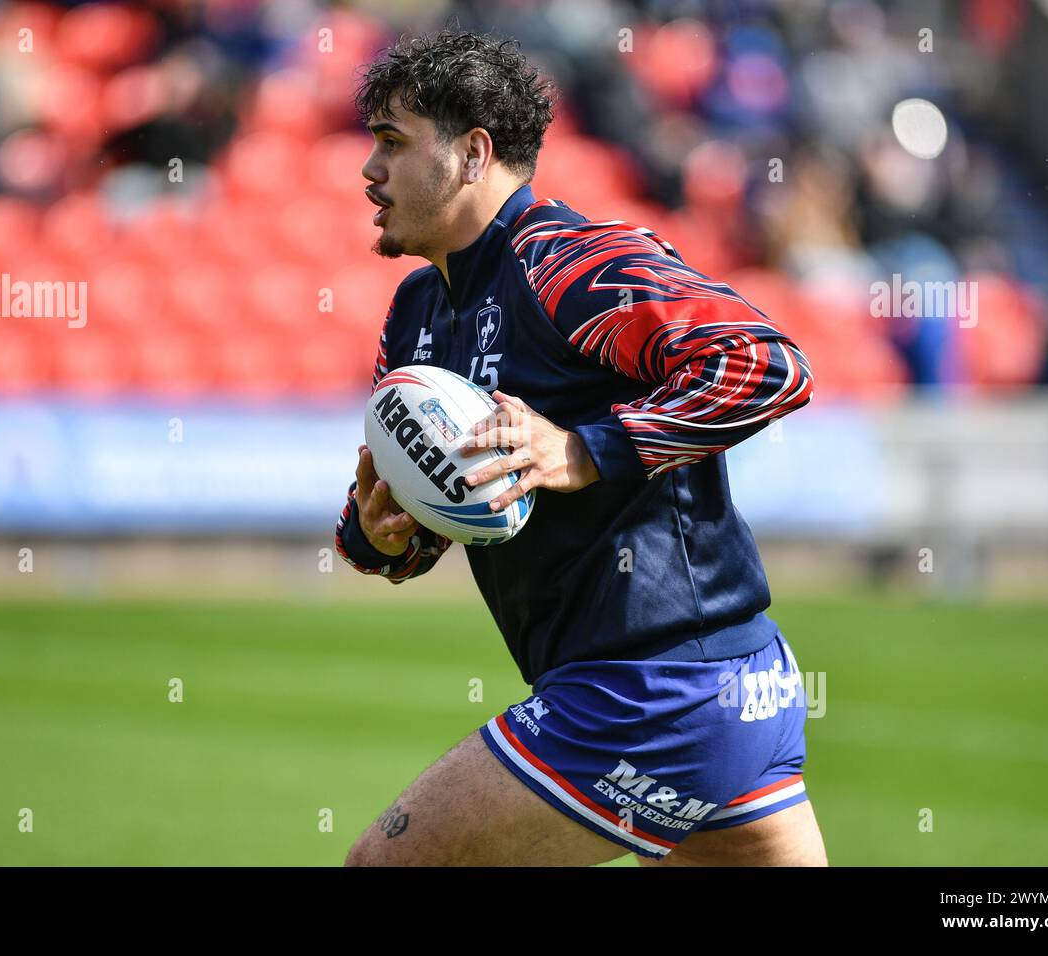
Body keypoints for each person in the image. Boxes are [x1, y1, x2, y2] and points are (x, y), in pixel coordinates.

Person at [334, 29, 825, 866]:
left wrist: (588, 449)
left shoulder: (565, 263)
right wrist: (382, 537)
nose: (368, 172)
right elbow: (408, 526)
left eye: (391, 143)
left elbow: (768, 366)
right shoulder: (416, 313)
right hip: (728, 686)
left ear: (471, 154)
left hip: (652, 687)